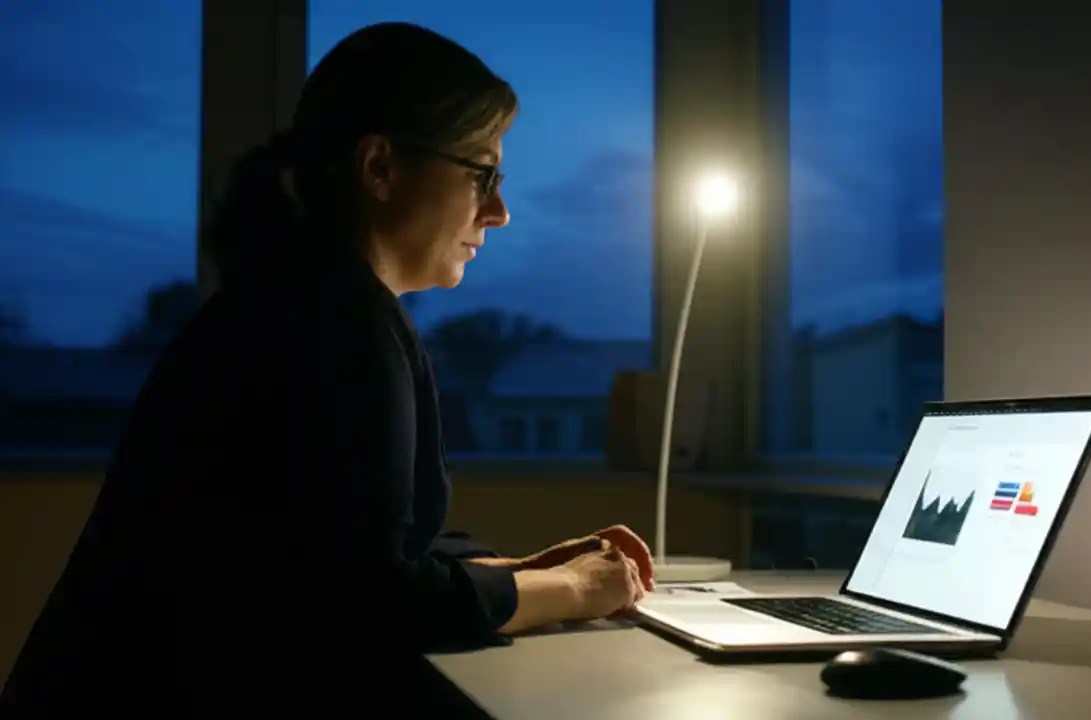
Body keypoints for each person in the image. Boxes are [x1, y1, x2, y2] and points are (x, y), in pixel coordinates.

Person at [0, 22, 653, 717]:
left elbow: (324, 555)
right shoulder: (334, 323)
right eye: (481, 174)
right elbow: (370, 601)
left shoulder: (304, 296)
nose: (498, 211)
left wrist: (518, 574)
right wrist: (574, 592)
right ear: (379, 167)